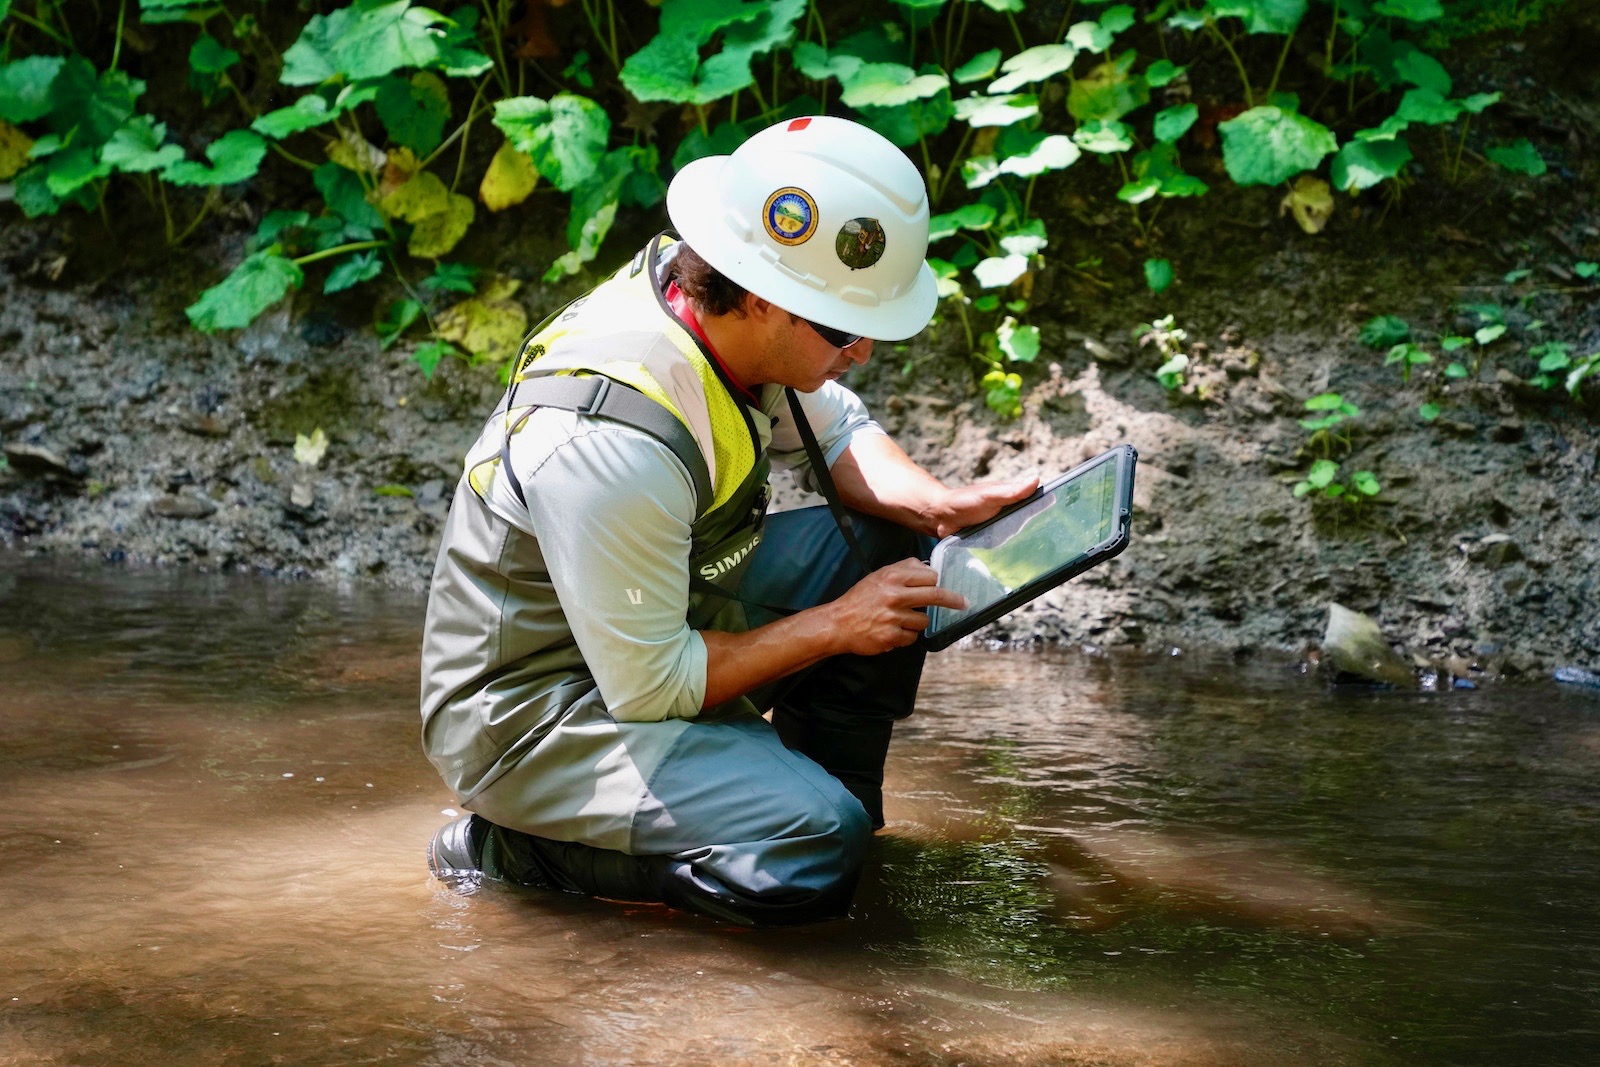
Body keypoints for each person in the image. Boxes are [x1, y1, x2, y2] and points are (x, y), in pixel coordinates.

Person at [419, 115, 1037, 926]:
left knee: (889, 549)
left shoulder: (712, 315)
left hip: (646, 624)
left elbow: (838, 425)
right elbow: (653, 686)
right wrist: (834, 627)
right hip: (537, 711)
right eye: (845, 330)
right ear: (759, 299)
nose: (861, 353)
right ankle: (508, 849)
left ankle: (810, 804)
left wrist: (935, 504)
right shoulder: (614, 439)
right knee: (811, 849)